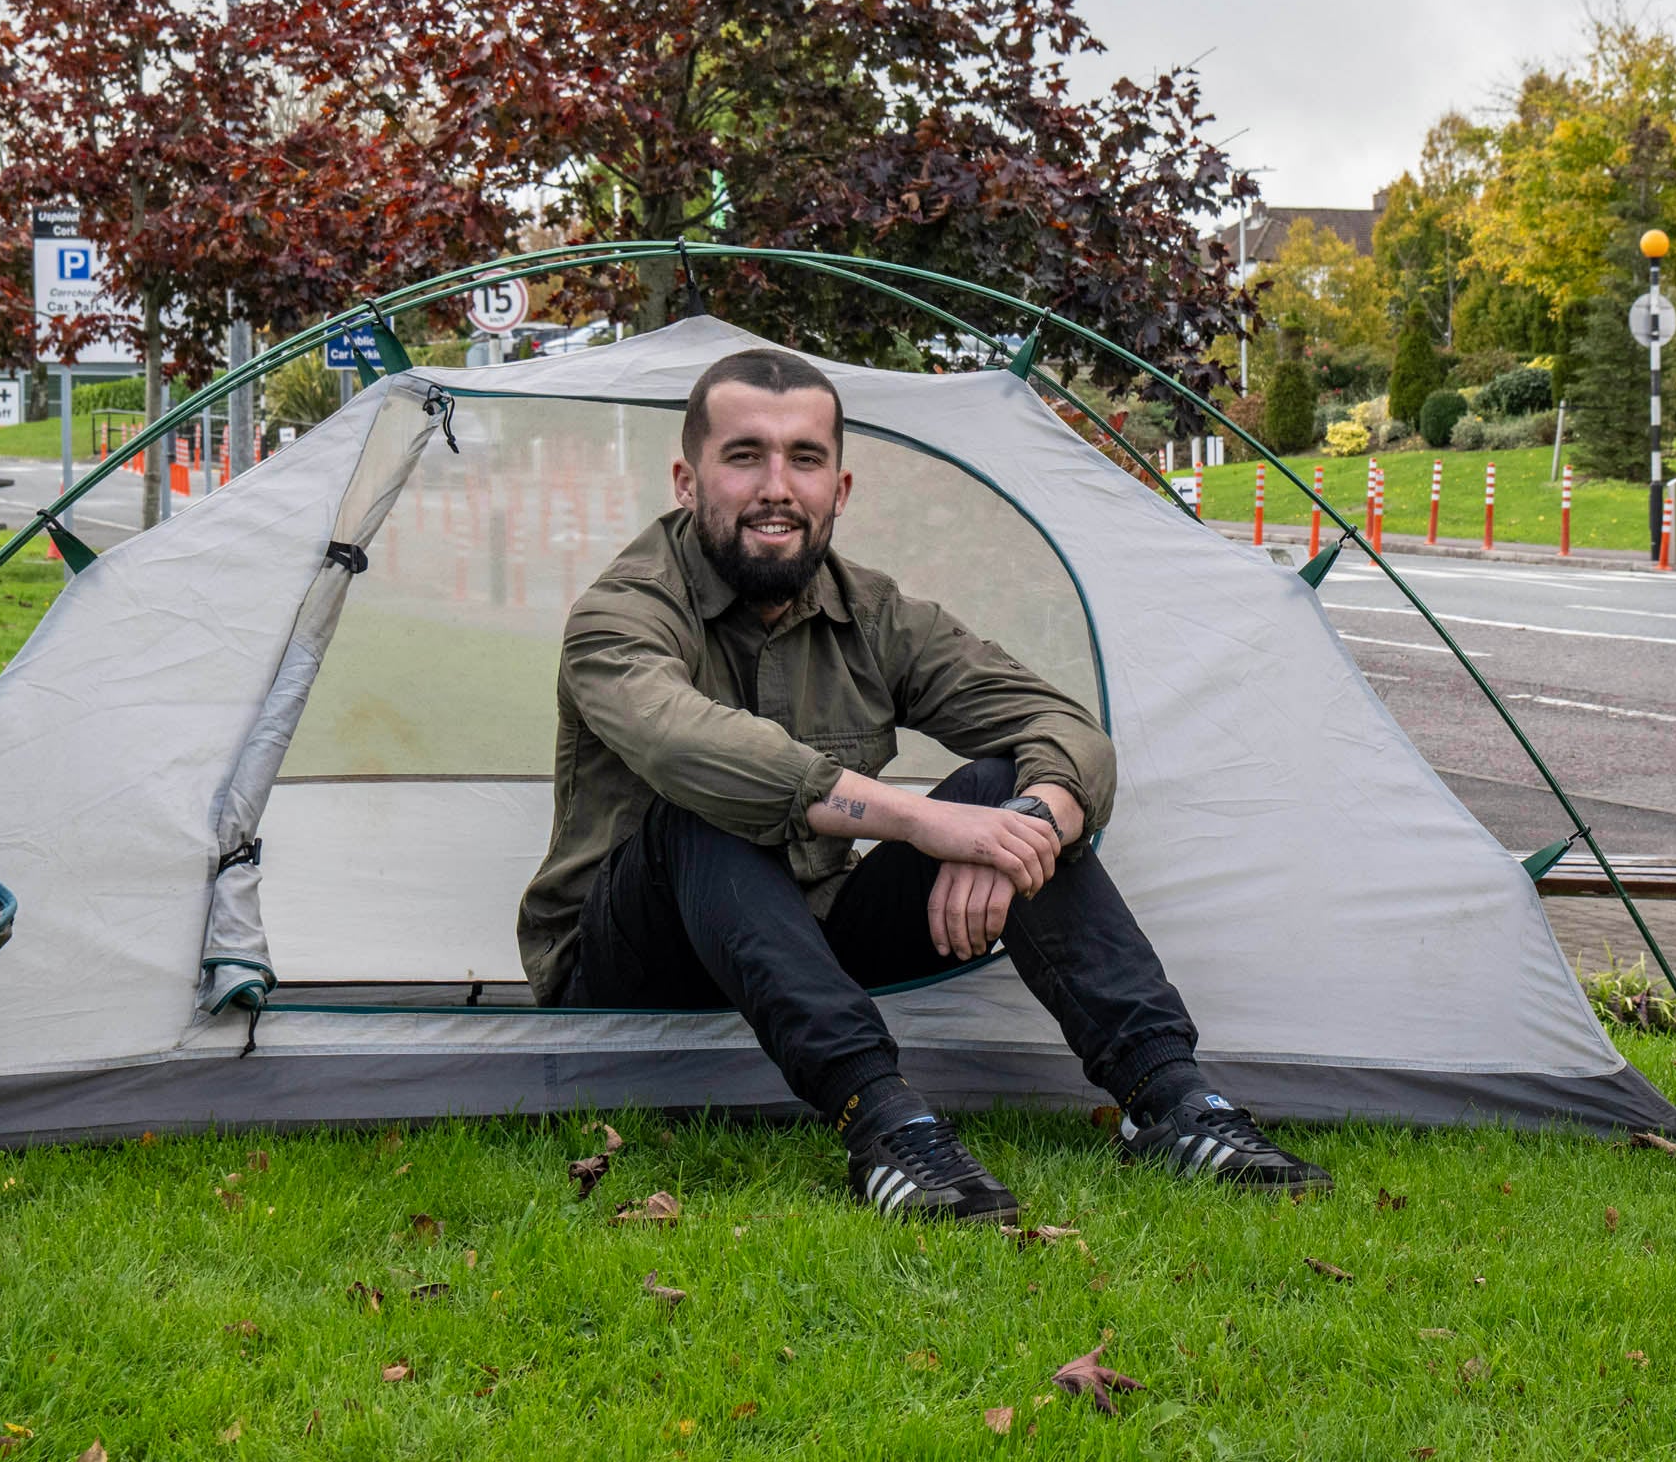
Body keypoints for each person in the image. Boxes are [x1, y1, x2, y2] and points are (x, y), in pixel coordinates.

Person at [518, 347, 1329, 1223]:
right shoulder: (620, 613)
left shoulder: (876, 615)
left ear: (842, 486)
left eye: (806, 458)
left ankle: (1171, 1100)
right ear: (687, 478)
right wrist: (923, 822)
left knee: (1002, 787)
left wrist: (1024, 826)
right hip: (630, 966)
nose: (776, 486)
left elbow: (1066, 733)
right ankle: (886, 1120)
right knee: (704, 809)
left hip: (807, 946)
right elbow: (691, 748)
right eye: (744, 455)